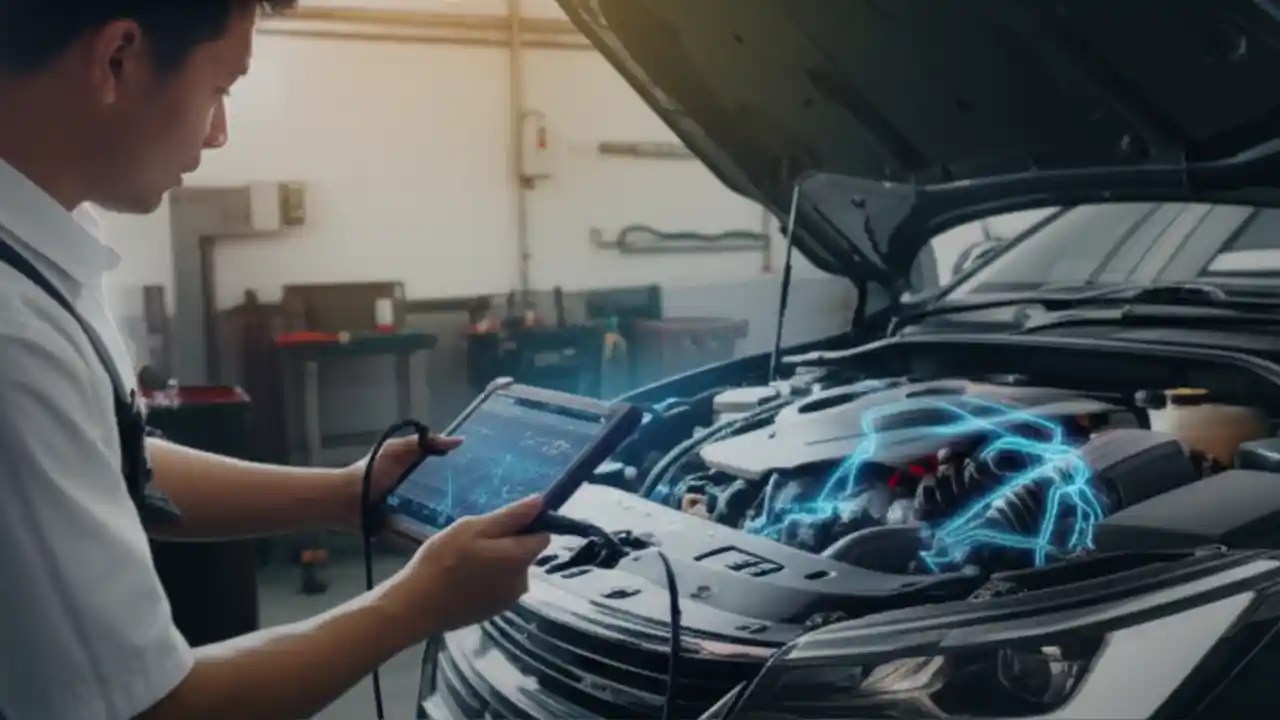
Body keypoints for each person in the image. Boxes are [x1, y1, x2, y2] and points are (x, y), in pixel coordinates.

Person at [0, 2, 551, 718]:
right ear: (117, 60)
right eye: (220, 87)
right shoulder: (15, 338)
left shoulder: (49, 245)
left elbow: (107, 454)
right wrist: (417, 603)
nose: (220, 132)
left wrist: (343, 492)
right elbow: (153, 712)